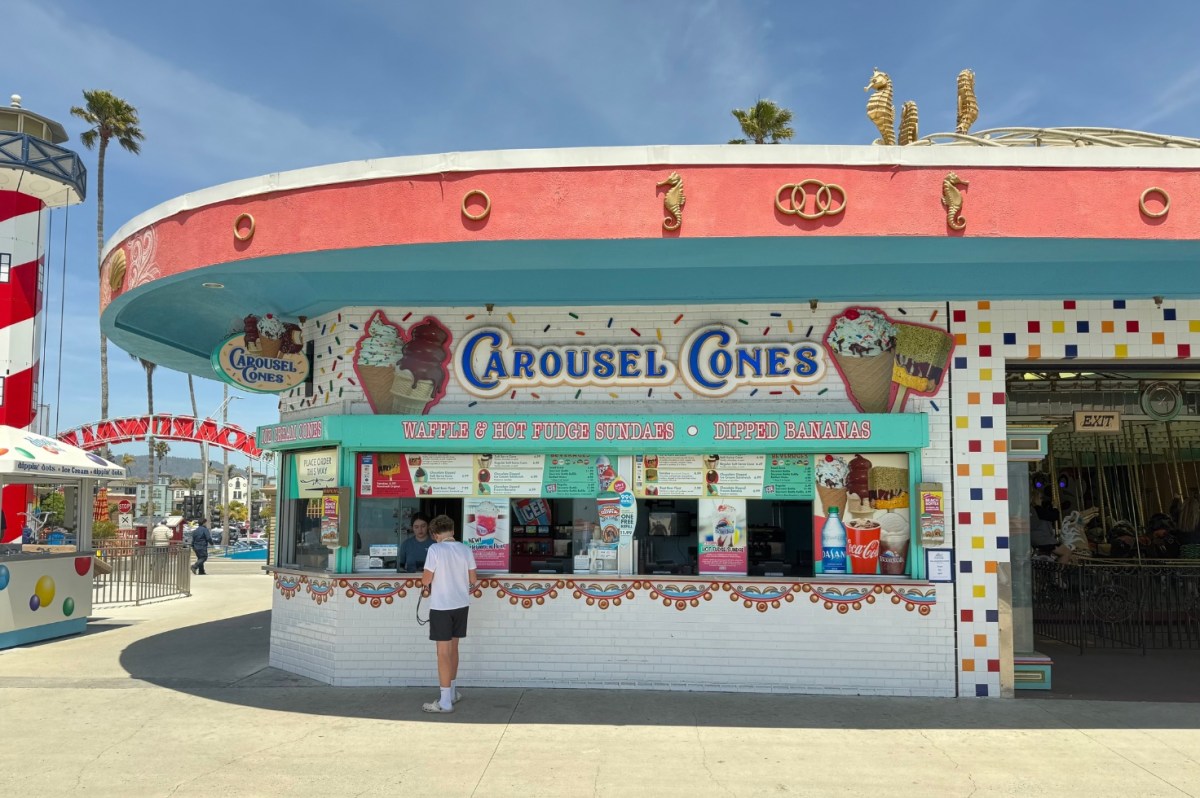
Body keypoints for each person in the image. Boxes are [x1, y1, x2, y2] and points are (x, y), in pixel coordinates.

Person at [420, 514, 477, 714]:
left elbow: (426, 580)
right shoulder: (465, 549)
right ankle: (452, 692)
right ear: (452, 531)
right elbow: (473, 579)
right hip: (461, 605)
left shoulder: (435, 549)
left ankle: (445, 702)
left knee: (443, 653)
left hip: (442, 607)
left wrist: (428, 583)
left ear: (435, 534)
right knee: (454, 650)